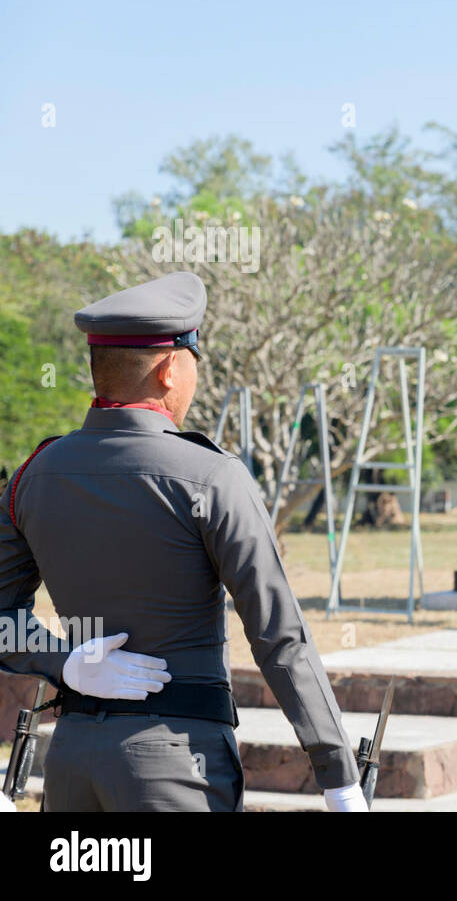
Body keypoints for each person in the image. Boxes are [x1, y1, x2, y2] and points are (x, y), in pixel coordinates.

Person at [0, 271, 366, 811]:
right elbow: (279, 637)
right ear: (172, 369)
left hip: (73, 762)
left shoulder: (36, 474)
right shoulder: (211, 476)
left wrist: (65, 663)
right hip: (176, 765)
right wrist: (339, 777)